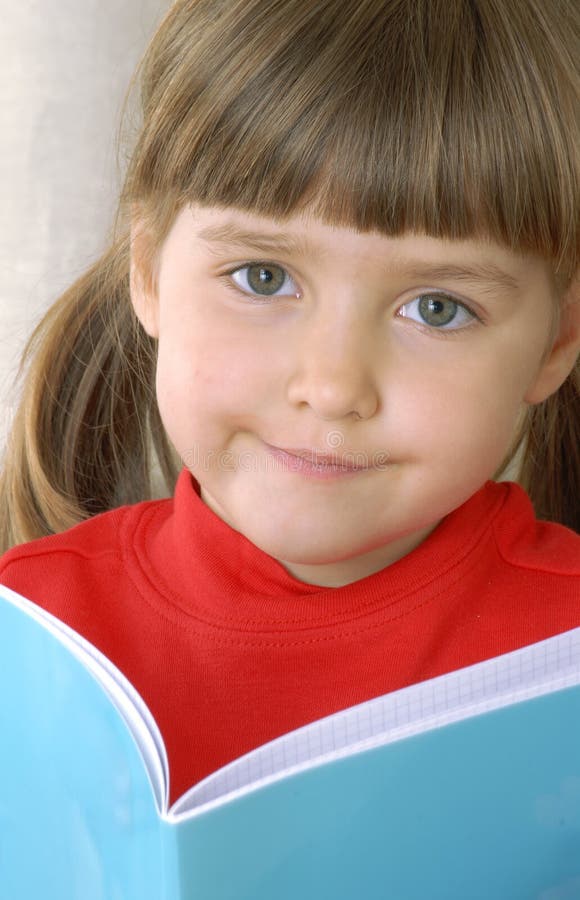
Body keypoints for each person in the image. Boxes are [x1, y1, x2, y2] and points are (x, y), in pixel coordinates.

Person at [0, 0, 578, 805]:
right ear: (147, 271)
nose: (333, 387)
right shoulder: (26, 635)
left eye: (438, 307)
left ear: (557, 341)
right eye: (262, 277)